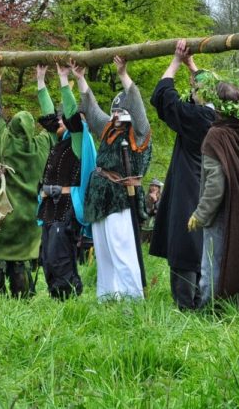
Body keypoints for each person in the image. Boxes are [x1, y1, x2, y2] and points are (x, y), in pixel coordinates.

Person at [149, 40, 239, 310]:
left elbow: (162, 97)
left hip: (191, 185)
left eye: (195, 89)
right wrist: (192, 64)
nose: (192, 91)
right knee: (203, 247)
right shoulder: (228, 119)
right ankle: (202, 302)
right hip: (209, 189)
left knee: (185, 245)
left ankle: (187, 306)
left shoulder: (196, 118)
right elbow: (206, 87)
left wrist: (176, 62)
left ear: (204, 97)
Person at [188, 53, 239, 310]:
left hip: (226, 212)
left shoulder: (216, 136)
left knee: (212, 262)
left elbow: (215, 186)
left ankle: (208, 311)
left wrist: (200, 215)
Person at [0, 63, 57, 298]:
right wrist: (41, 81)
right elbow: (51, 122)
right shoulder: (39, 146)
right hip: (25, 221)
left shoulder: (2, 138)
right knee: (20, 264)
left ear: (11, 126)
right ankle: (22, 302)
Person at [81, 56, 151, 301]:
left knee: (122, 250)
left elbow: (138, 107)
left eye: (122, 112)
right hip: (99, 195)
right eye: (116, 112)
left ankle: (132, 299)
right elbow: (92, 111)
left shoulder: (139, 133)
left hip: (121, 195)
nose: (117, 115)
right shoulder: (108, 129)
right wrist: (79, 78)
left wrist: (123, 74)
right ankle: (108, 298)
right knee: (104, 251)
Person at [36, 62, 97, 300]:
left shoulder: (78, 139)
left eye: (63, 121)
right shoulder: (59, 141)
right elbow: (50, 116)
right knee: (48, 258)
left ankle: (69, 297)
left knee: (60, 255)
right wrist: (41, 81)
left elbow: (70, 116)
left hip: (67, 206)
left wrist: (64, 79)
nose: (58, 123)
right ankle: (55, 297)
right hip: (51, 206)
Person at [141, 178, 163, 244]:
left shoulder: (162, 198)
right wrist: (153, 211)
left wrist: (155, 200)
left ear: (159, 188)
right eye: (152, 185)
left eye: (156, 186)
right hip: (145, 225)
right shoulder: (145, 197)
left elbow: (161, 211)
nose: (154, 187)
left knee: (153, 245)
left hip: (155, 226)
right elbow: (144, 210)